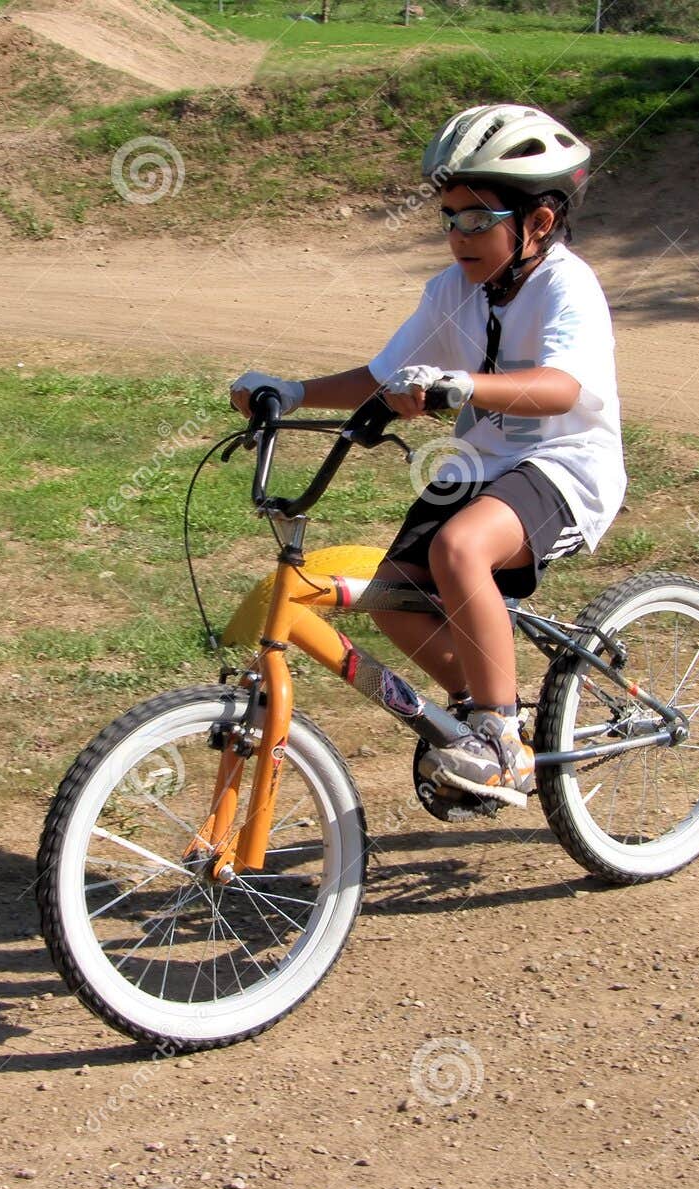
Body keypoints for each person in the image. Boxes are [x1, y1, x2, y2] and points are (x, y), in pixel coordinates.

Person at [230, 103, 625, 808]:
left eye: (476, 218)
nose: (456, 236)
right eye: (448, 218)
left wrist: (462, 384)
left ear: (538, 222)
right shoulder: (452, 291)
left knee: (459, 549)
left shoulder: (567, 286)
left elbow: (562, 388)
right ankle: (477, 709)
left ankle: (501, 741)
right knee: (390, 596)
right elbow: (383, 374)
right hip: (483, 466)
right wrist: (292, 392)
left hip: (568, 464)